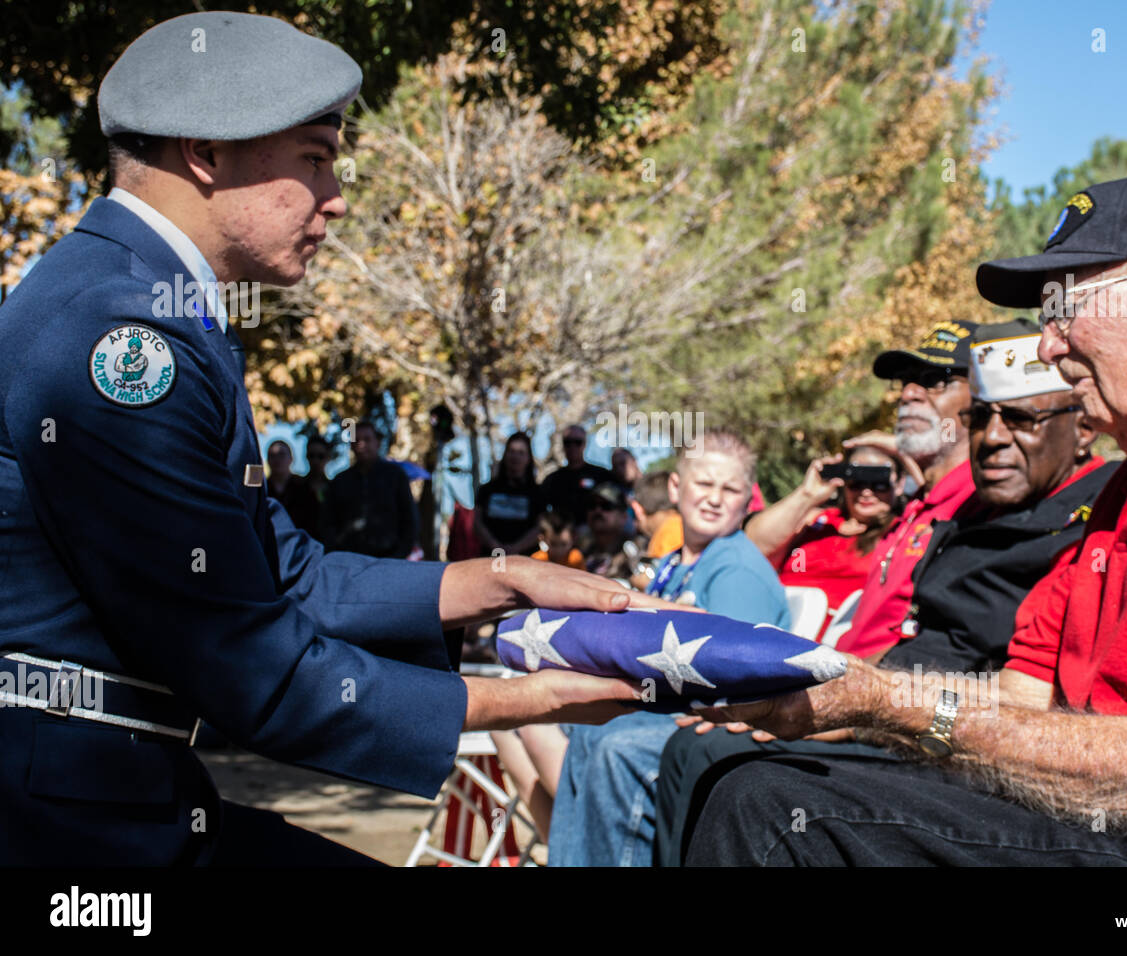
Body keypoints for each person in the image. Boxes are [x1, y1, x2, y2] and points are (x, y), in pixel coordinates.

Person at [0, 11, 665, 867]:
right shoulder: (122, 339)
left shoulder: (141, 303)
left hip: (111, 801)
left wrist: (510, 580)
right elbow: (251, 667)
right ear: (205, 150)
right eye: (314, 158)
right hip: (68, 836)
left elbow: (287, 574)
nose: (338, 197)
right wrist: (533, 698)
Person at [685, 176, 1127, 866]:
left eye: (1066, 307)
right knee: (739, 774)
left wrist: (885, 705)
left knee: (769, 810)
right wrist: (823, 685)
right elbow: (1022, 692)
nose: (1046, 347)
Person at [653, 321, 1116, 865]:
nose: (992, 438)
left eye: (1019, 418)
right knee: (696, 746)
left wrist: (853, 707)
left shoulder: (1093, 514)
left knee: (735, 775)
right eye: (983, 419)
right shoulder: (969, 512)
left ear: (1083, 427)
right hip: (904, 710)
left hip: (959, 744)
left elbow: (1016, 697)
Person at [544, 429, 791, 866]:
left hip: (717, 721)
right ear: (676, 487)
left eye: (730, 489)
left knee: (614, 746)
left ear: (748, 501)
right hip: (671, 705)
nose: (715, 498)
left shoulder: (736, 569)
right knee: (583, 729)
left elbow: (732, 678)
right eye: (704, 484)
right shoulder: (677, 561)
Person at [832, 320, 980, 659]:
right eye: (906, 382)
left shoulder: (976, 506)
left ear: (981, 396)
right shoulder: (917, 505)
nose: (909, 394)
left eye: (934, 380)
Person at [744, 442, 907, 639]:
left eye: (878, 480)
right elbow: (752, 547)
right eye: (857, 480)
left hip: (836, 643)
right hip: (773, 626)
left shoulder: (904, 532)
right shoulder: (815, 520)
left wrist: (897, 447)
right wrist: (807, 495)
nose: (866, 491)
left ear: (899, 484)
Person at [320, 420, 418, 558]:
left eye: (367, 439)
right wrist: (334, 549)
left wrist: (399, 555)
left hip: (388, 558)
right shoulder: (340, 481)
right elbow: (328, 522)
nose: (361, 444)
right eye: (356, 440)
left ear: (377, 443)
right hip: (350, 559)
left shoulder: (395, 476)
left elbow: (409, 519)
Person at [474, 431, 543, 557]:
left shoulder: (537, 492)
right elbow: (477, 523)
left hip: (527, 560)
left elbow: (540, 526)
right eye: (511, 451)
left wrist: (515, 548)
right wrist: (495, 546)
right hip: (491, 558)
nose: (515, 457)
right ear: (505, 455)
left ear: (528, 458)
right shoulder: (487, 489)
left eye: (521, 453)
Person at [538, 425, 614, 523]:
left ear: (585, 444)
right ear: (563, 445)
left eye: (578, 442)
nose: (572, 447)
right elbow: (539, 511)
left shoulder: (602, 475)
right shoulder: (552, 480)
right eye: (567, 442)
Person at [265, 439, 319, 540]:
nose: (277, 460)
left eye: (281, 454)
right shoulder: (262, 490)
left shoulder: (304, 489)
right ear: (267, 460)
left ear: (291, 459)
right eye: (272, 455)